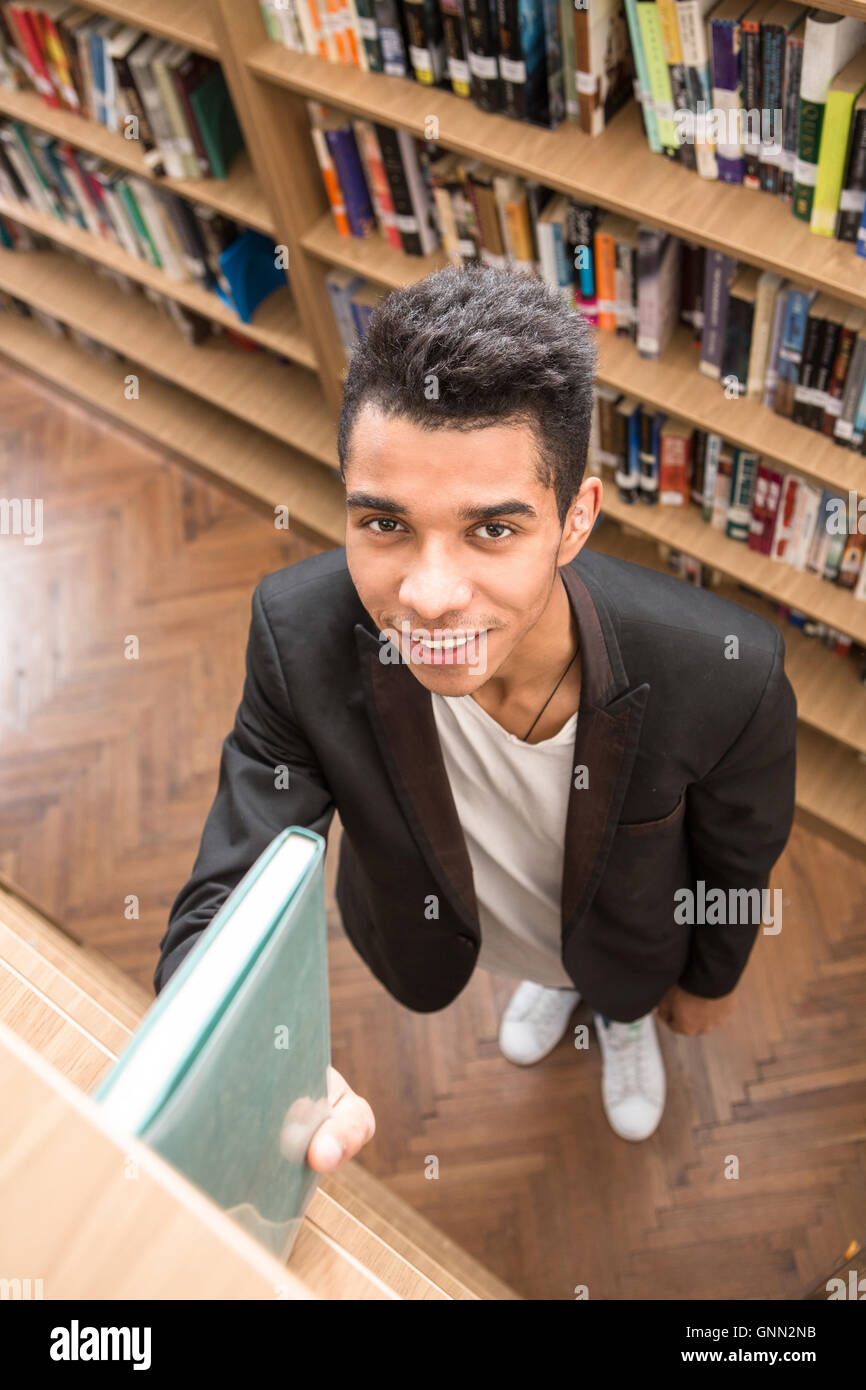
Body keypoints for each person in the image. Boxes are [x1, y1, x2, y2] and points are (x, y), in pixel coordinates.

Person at [154, 264, 797, 1170]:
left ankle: (612, 1012)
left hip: (631, 939)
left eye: (492, 530)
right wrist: (227, 1053)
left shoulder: (727, 673)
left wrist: (712, 979)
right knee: (541, 957)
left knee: (607, 976)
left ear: (575, 521)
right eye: (384, 525)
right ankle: (551, 980)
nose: (428, 596)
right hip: (463, 927)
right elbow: (229, 888)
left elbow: (740, 857)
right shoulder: (296, 634)